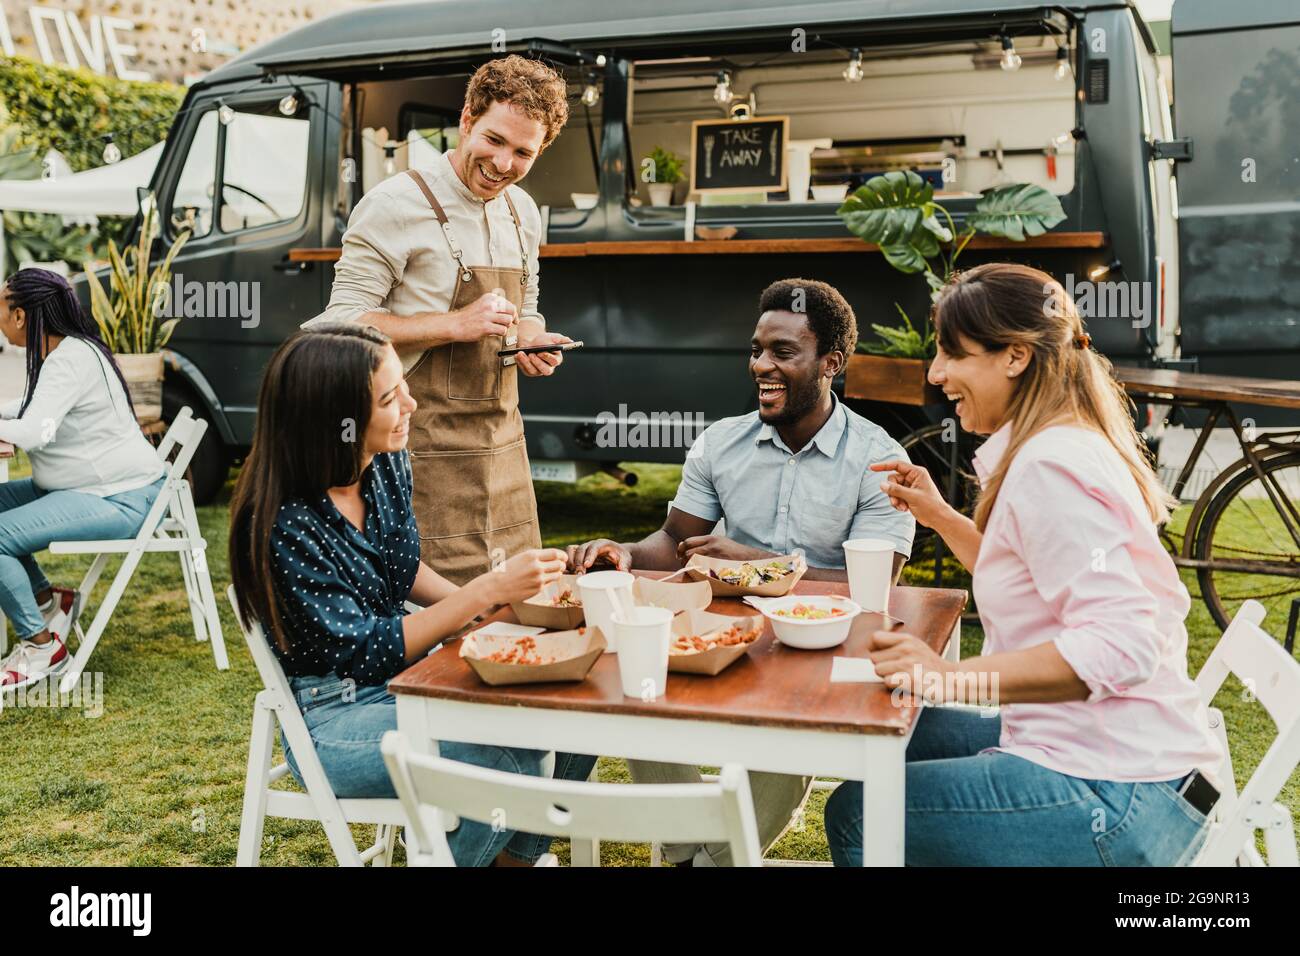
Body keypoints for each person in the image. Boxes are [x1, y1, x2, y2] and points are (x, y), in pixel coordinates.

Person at [825, 262, 1224, 866]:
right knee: (900, 730)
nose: (935, 375)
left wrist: (946, 676)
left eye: (952, 354)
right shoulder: (1060, 444)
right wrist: (940, 516)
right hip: (1120, 757)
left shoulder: (1050, 467)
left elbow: (1124, 646)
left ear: (1014, 356)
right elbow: (1041, 575)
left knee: (860, 814)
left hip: (1123, 794)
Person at [568, 278, 916, 866]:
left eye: (783, 352)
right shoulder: (719, 443)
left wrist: (763, 566)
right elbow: (675, 540)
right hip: (721, 638)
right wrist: (624, 552)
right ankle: (686, 850)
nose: (761, 365)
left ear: (831, 362)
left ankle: (714, 860)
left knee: (800, 717)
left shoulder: (880, 460)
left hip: (822, 649)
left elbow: (873, 589)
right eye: (757, 350)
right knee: (640, 675)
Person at [228, 322, 596, 867]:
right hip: (335, 716)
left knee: (575, 712)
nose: (412, 403)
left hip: (414, 677)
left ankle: (512, 859)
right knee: (500, 757)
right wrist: (484, 591)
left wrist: (494, 610)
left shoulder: (383, 463)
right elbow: (368, 650)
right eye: (389, 397)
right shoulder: (285, 523)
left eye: (404, 385)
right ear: (337, 421)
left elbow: (402, 571)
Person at [309, 55, 573, 585]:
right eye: (494, 140)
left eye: (523, 152)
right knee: (439, 619)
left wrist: (531, 338)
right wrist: (454, 325)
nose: (503, 164)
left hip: (503, 448)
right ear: (468, 119)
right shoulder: (394, 203)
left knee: (522, 604)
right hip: (415, 446)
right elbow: (336, 326)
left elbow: (528, 304)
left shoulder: (524, 212)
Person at [0, 268, 165, 689]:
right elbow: (30, 409)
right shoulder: (72, 351)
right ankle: (48, 601)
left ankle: (41, 647)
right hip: (102, 486)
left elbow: (36, 431)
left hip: (116, 497)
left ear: (20, 316)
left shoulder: (68, 359)